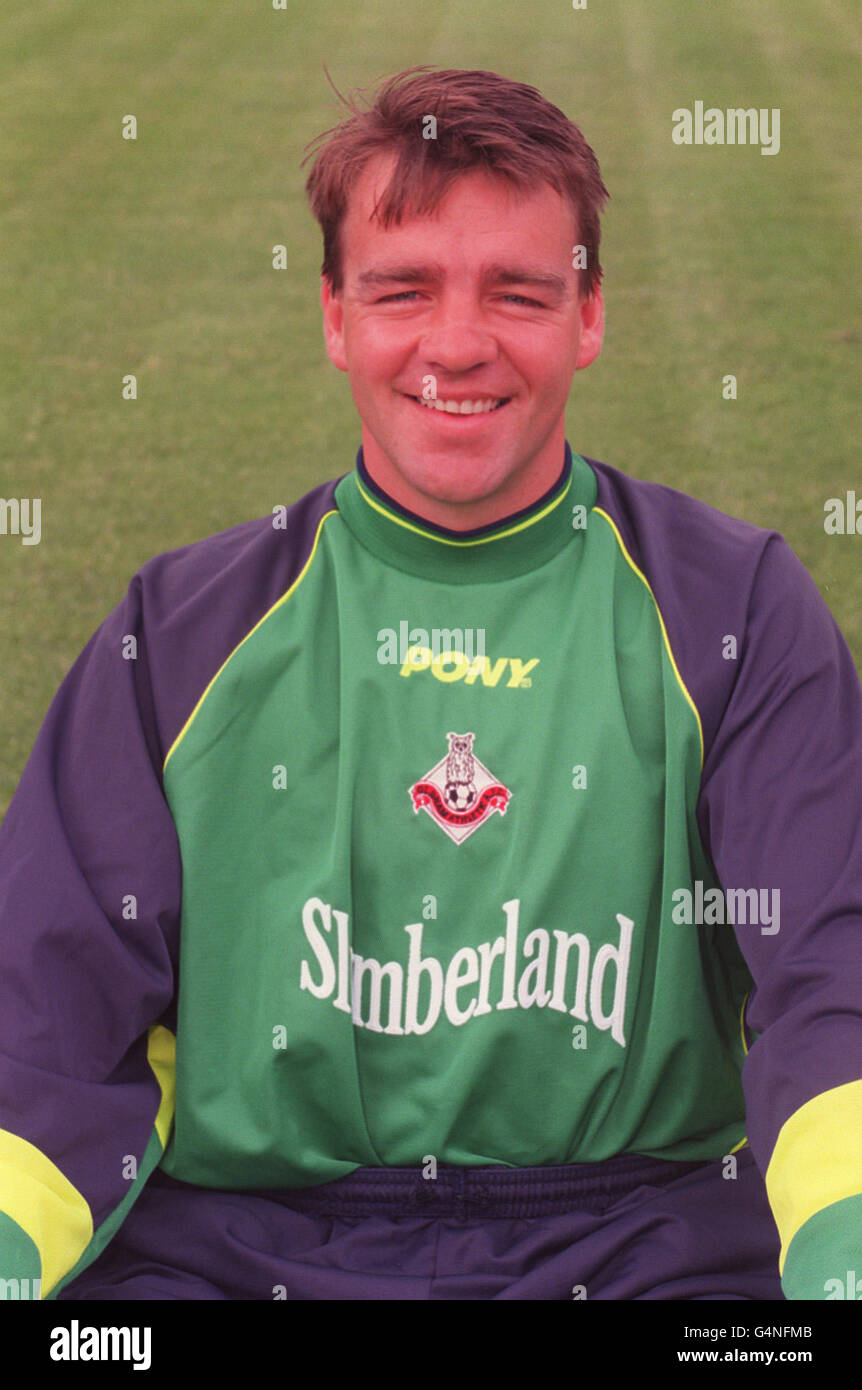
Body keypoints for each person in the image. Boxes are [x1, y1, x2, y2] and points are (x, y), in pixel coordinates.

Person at [1, 66, 860, 1303]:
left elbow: (833, 969)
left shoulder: (732, 610)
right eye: (403, 290)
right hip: (245, 1251)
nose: (456, 343)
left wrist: (841, 1253)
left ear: (589, 314)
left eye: (517, 293)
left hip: (644, 1247)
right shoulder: (180, 632)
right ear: (337, 316)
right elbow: (44, 1016)